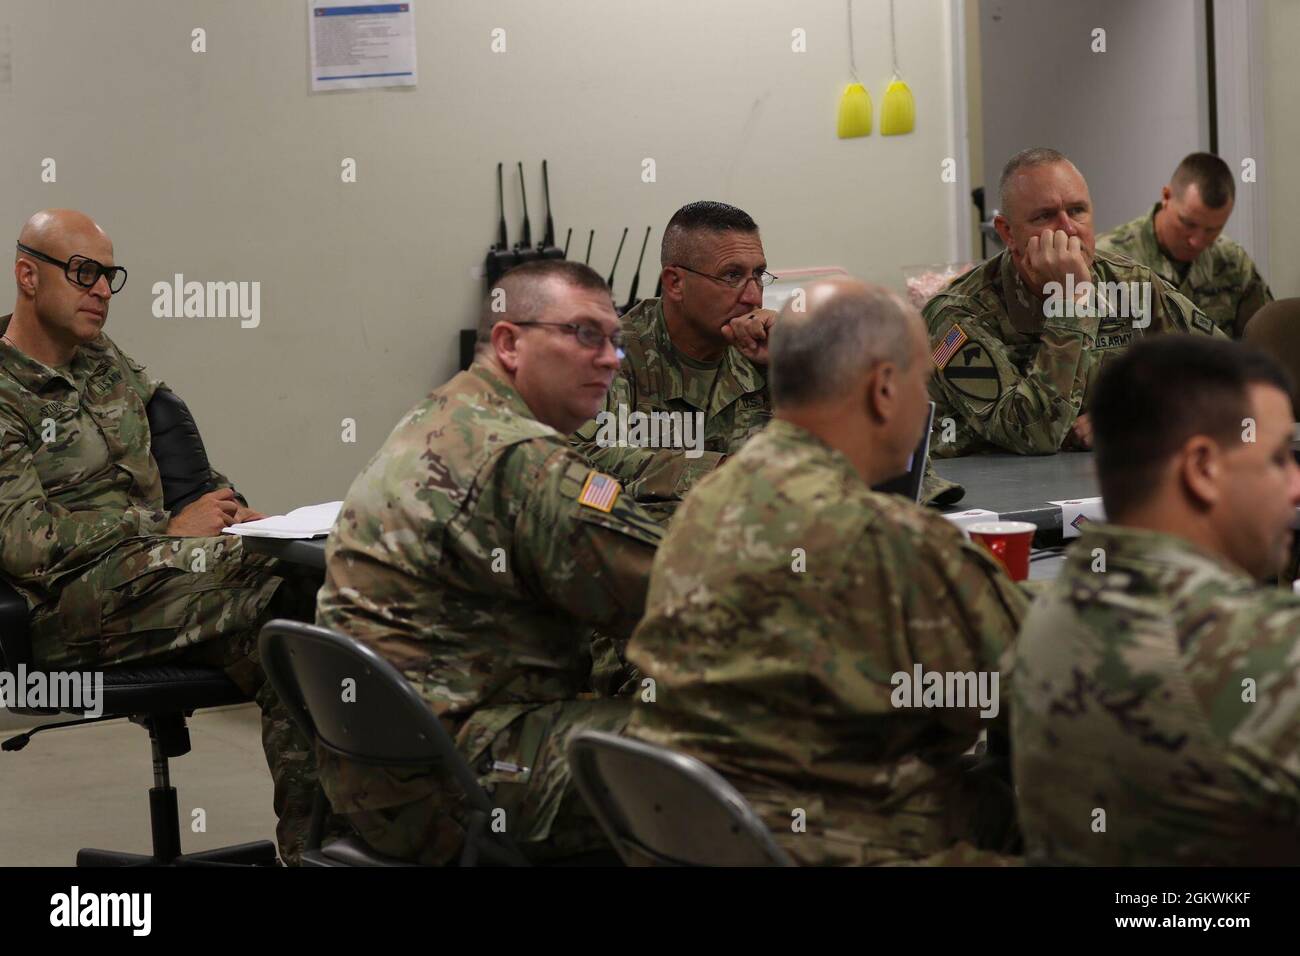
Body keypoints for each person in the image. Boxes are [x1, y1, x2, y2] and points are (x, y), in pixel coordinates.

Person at [625, 279, 1026, 866]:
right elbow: (1049, 684)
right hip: (834, 843)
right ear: (885, 391)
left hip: (694, 834)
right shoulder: (892, 540)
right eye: (921, 381)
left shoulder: (704, 504)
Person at [315, 259, 662, 863]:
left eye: (616, 341)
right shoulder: (522, 462)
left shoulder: (437, 415)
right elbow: (675, 600)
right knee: (737, 750)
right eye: (584, 334)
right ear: (509, 342)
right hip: (461, 784)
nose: (609, 358)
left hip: (382, 775)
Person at [0, 209, 320, 863]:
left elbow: (179, 468)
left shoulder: (104, 362)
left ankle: (322, 850)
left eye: (109, 276)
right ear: (27, 276)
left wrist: (237, 513)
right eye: (83, 272)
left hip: (158, 574)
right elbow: (25, 543)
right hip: (65, 607)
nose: (101, 290)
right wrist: (163, 526)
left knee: (298, 623)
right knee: (287, 600)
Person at [1011, 334, 1300, 865]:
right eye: (1280, 459)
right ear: (1202, 469)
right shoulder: (1255, 647)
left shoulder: (1055, 607)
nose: (1297, 486)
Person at [573, 201, 964, 514]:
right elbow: (582, 459)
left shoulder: (772, 344)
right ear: (675, 282)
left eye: (758, 274)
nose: (752, 295)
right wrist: (724, 472)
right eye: (731, 276)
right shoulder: (614, 353)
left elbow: (892, 459)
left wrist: (797, 366)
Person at [926, 147, 1223, 458]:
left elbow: (1230, 376)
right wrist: (1071, 300)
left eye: (1078, 210)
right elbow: (1035, 434)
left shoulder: (1129, 283)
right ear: (1008, 233)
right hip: (989, 495)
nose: (1068, 229)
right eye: (1044, 216)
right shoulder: (956, 315)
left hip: (1105, 480)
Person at [1098, 152, 1272, 339]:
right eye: (1188, 224)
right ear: (1166, 196)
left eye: (1213, 230)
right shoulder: (1109, 260)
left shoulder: (1233, 263)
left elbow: (1266, 342)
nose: (1197, 241)